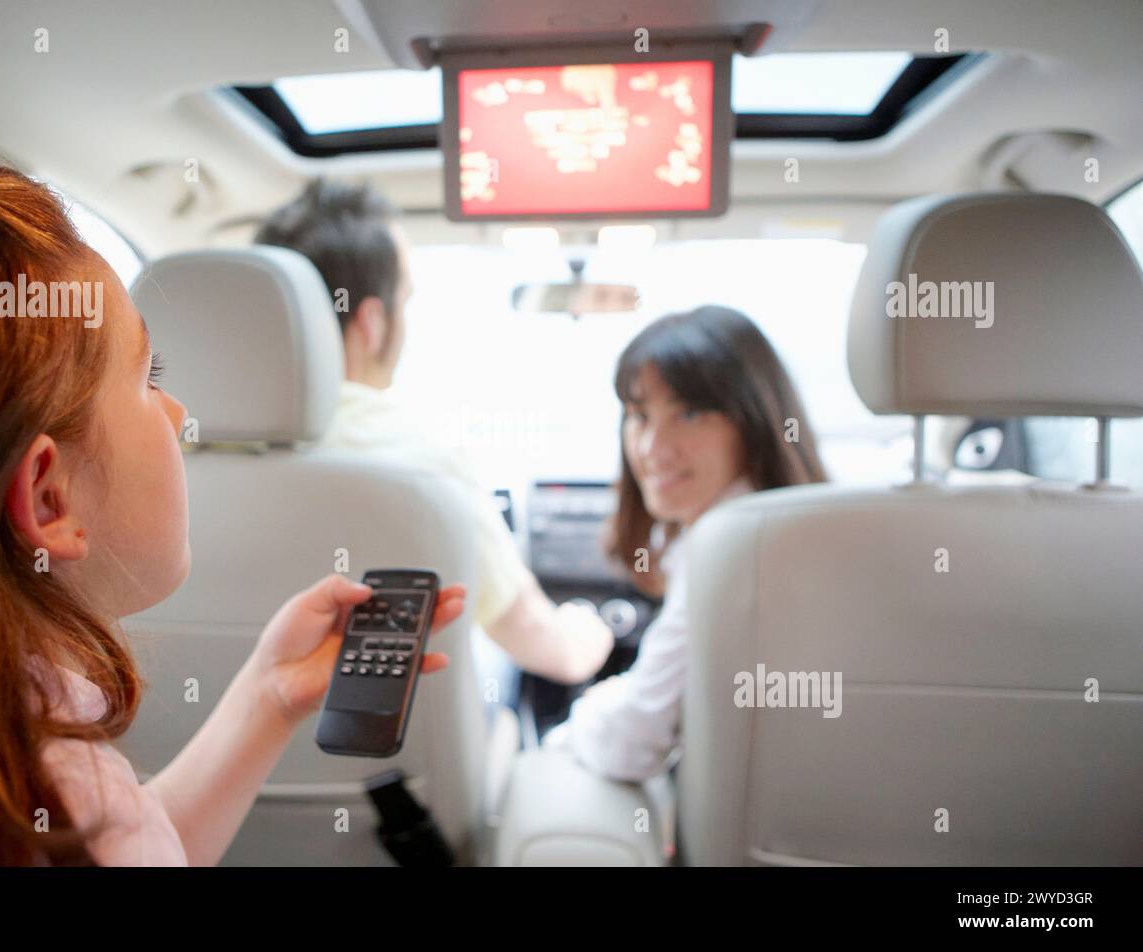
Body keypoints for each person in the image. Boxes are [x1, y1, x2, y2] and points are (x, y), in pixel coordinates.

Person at [0, 163, 465, 865]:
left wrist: (269, 694)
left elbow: (134, 840)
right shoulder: (39, 786)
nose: (178, 414)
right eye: (150, 380)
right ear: (50, 499)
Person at [254, 179, 613, 685]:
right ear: (373, 321)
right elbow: (541, 643)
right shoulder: (418, 460)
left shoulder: (183, 450)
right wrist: (590, 633)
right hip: (393, 764)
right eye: (406, 298)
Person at [543, 306, 826, 782]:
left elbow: (630, 747)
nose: (652, 447)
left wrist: (581, 717)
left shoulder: (727, 552)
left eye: (689, 413)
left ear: (752, 419)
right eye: (638, 416)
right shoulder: (808, 529)